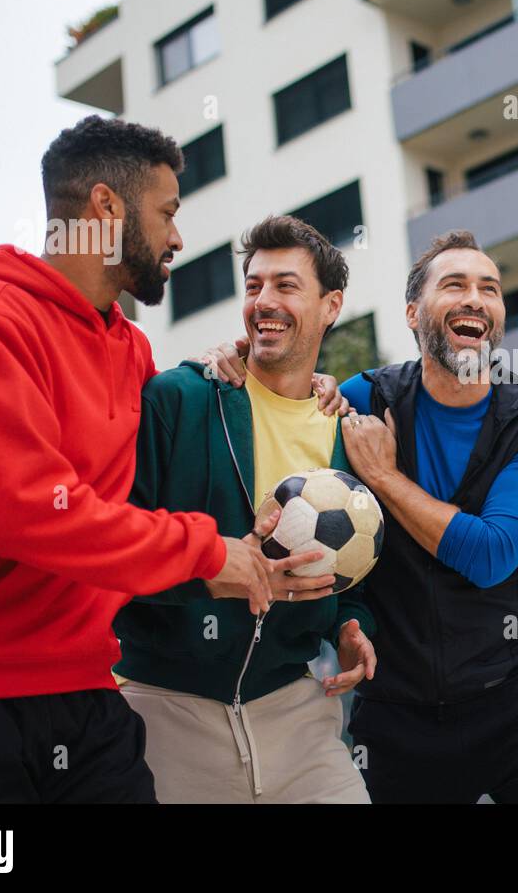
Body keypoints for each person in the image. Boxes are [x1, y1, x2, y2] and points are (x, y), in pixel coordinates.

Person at [0, 116, 335, 803]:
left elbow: (135, 508)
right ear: (107, 208)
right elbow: (23, 510)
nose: (176, 237)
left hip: (81, 696)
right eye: (167, 212)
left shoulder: (131, 350)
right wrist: (208, 552)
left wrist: (285, 383)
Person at [204, 230, 518, 803]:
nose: (475, 298)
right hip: (395, 717)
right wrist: (228, 357)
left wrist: (386, 477)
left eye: (489, 289)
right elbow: (287, 394)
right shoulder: (363, 399)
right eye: (455, 285)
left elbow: (488, 555)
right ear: (414, 312)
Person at [114, 215, 377, 803]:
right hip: (165, 712)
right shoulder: (178, 399)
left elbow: (346, 574)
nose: (264, 301)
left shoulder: (347, 434)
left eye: (286, 285)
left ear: (331, 306)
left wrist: (351, 626)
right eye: (254, 286)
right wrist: (214, 574)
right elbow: (113, 552)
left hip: (298, 712)